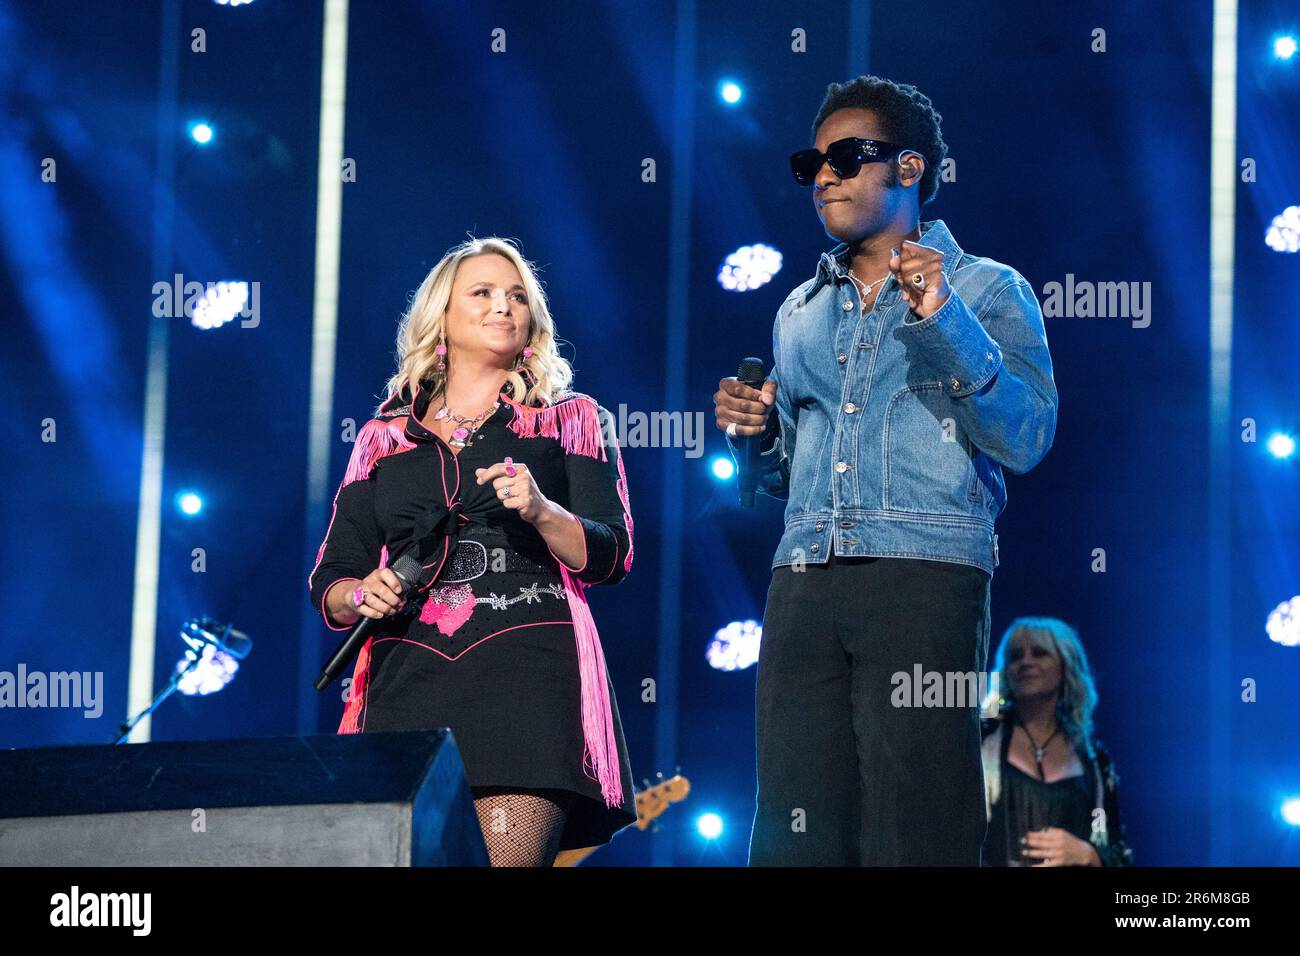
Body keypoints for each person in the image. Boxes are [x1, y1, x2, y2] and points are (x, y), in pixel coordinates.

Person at [713, 75, 1058, 865]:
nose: (824, 175)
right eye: (812, 163)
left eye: (847, 156)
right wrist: (755, 435)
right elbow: (785, 476)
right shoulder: (798, 308)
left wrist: (941, 318)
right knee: (794, 818)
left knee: (917, 815)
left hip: (923, 575)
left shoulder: (986, 288)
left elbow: (1027, 436)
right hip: (803, 577)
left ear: (908, 169)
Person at [309, 236, 636, 866]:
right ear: (442, 320)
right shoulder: (382, 437)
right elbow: (332, 576)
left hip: (526, 678)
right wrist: (360, 591)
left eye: (517, 296)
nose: (503, 306)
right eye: (482, 293)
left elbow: (611, 554)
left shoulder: (569, 418)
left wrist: (543, 510)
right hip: (406, 679)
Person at [982, 617, 1133, 866]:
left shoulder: (1094, 760)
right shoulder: (981, 740)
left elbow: (1121, 852)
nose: (1026, 662)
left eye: (1040, 653)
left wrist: (1088, 854)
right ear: (1005, 671)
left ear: (1066, 666)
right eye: (1016, 655)